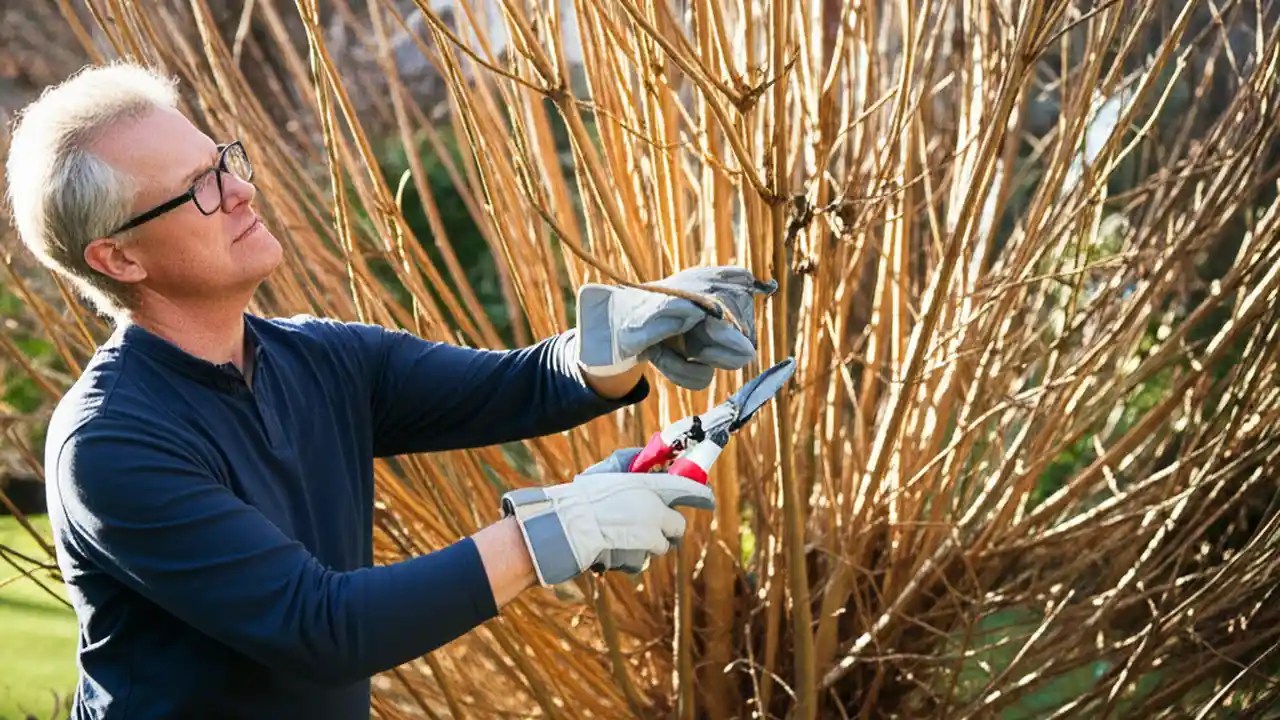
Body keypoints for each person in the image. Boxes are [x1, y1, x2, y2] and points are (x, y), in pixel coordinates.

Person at [3, 62, 774, 719]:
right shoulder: (110, 445)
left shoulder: (321, 359)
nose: (239, 190)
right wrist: (556, 532)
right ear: (119, 259)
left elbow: (520, 386)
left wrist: (615, 344)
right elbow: (323, 628)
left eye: (224, 162)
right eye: (198, 189)